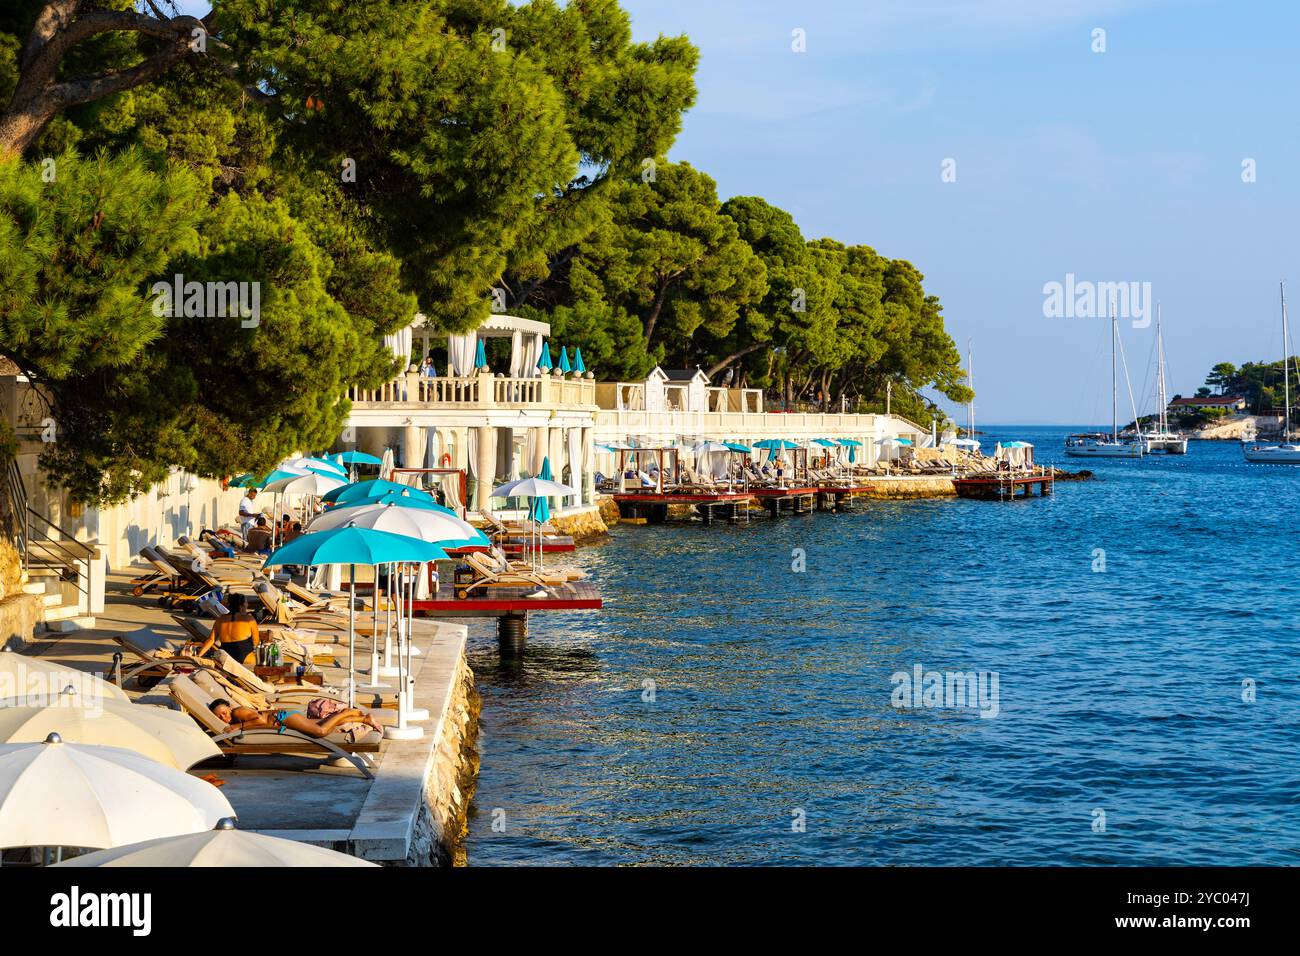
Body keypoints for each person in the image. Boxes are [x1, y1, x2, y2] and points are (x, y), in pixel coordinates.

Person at [207, 698, 382, 738]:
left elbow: (260, 721)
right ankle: (364, 719)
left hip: (284, 718)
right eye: (220, 716)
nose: (224, 717)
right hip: (284, 716)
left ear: (229, 707)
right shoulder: (236, 715)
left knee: (320, 732)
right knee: (322, 724)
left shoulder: (237, 713)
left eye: (224, 712)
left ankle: (344, 713)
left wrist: (238, 727)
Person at [196, 593, 261, 666]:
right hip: (245, 655)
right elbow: (256, 641)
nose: (247, 605)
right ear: (241, 606)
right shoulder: (249, 619)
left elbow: (211, 640)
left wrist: (199, 655)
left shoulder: (220, 619)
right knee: (263, 659)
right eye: (246, 603)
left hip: (225, 656)